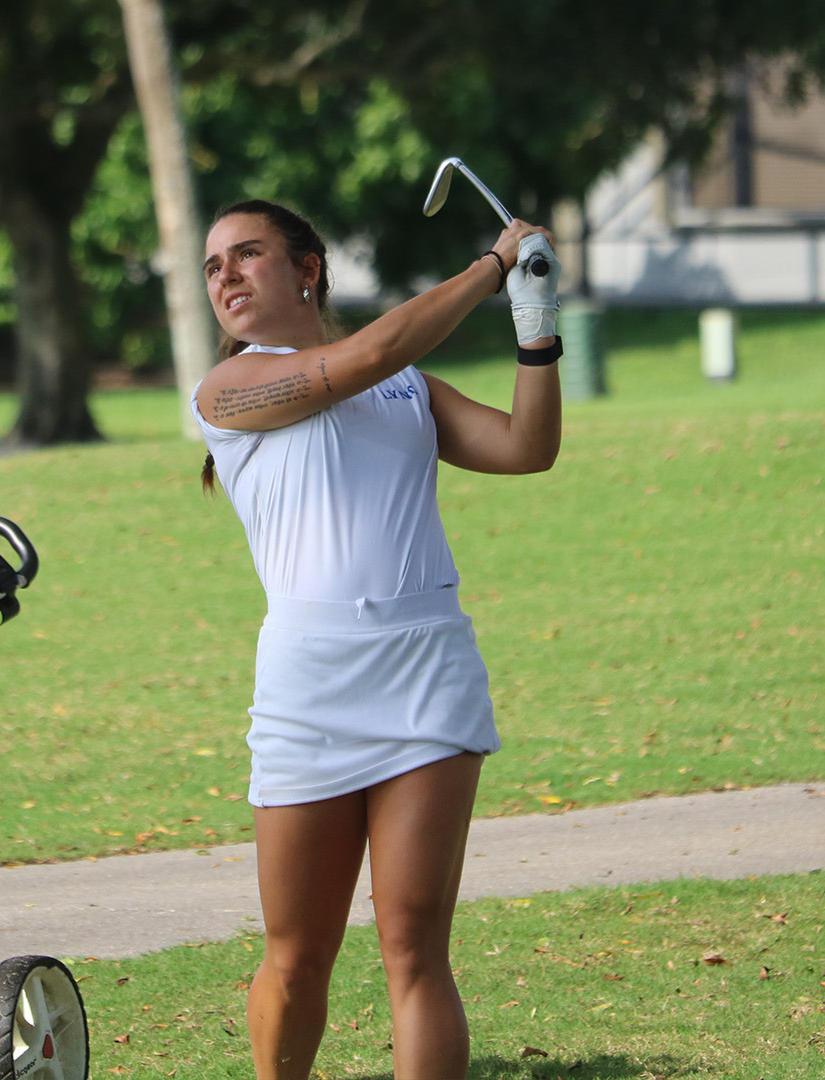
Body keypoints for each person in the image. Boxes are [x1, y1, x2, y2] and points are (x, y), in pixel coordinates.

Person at [190, 198, 562, 1080]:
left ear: (307, 269)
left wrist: (536, 324)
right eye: (213, 266)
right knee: (296, 956)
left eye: (247, 254)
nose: (226, 275)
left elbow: (526, 447)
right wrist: (490, 269)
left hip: (427, 668)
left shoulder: (409, 388)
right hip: (309, 686)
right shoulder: (227, 391)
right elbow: (362, 356)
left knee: (415, 948)